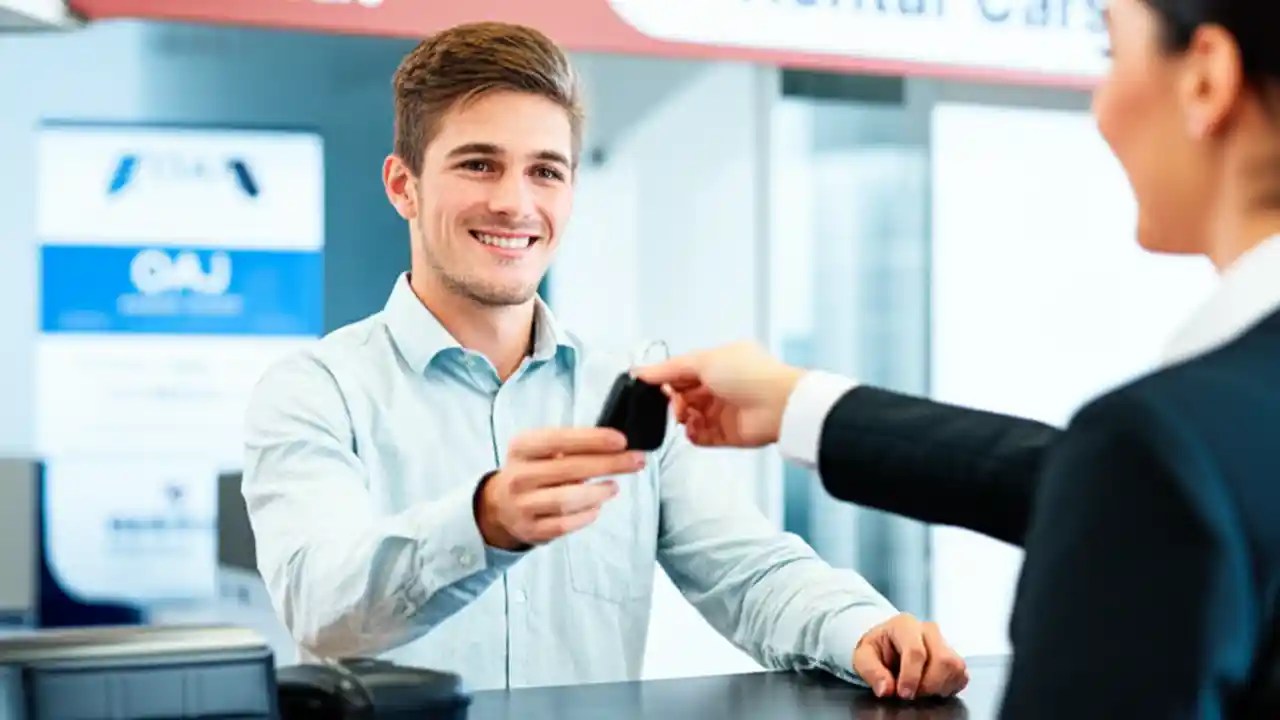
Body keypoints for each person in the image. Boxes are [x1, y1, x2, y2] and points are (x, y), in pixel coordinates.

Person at [241, 21, 969, 698]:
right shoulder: (316, 391)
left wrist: (863, 629)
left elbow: (748, 573)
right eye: (478, 164)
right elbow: (323, 608)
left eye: (545, 172)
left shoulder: (629, 384)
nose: (514, 202)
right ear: (405, 185)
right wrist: (483, 521)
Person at [636, 0, 1280, 717]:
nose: (1099, 106)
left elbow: (1142, 492)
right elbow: (1112, 489)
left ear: (1207, 80)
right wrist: (803, 405)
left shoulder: (1164, 444)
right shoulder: (1189, 445)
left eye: (1111, 57)